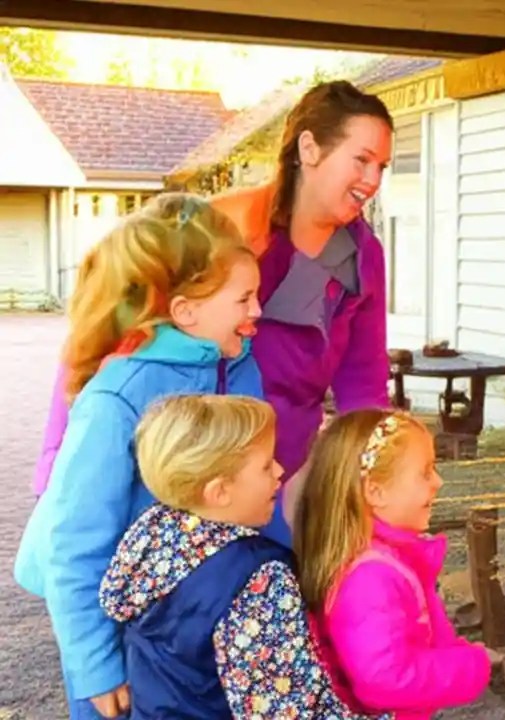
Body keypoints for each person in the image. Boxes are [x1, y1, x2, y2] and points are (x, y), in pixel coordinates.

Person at [13, 194, 276, 719]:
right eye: (243, 297)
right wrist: (95, 665)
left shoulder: (239, 366)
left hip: (178, 607)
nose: (257, 311)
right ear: (186, 310)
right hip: (110, 616)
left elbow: (256, 492)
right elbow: (75, 544)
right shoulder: (120, 394)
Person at [99, 394, 386, 720]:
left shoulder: (152, 533)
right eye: (265, 465)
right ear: (219, 492)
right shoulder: (258, 579)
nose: (279, 470)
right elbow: (282, 706)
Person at [210, 80, 394, 485]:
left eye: (381, 166)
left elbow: (364, 381)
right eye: (361, 159)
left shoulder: (364, 255)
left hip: (289, 474)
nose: (373, 179)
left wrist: (375, 468)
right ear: (308, 149)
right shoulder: (225, 227)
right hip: (207, 471)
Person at [293, 409, 492, 718]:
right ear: (376, 491)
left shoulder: (384, 560)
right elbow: (385, 679)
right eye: (425, 472)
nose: (438, 481)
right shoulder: (371, 577)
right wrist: (473, 665)